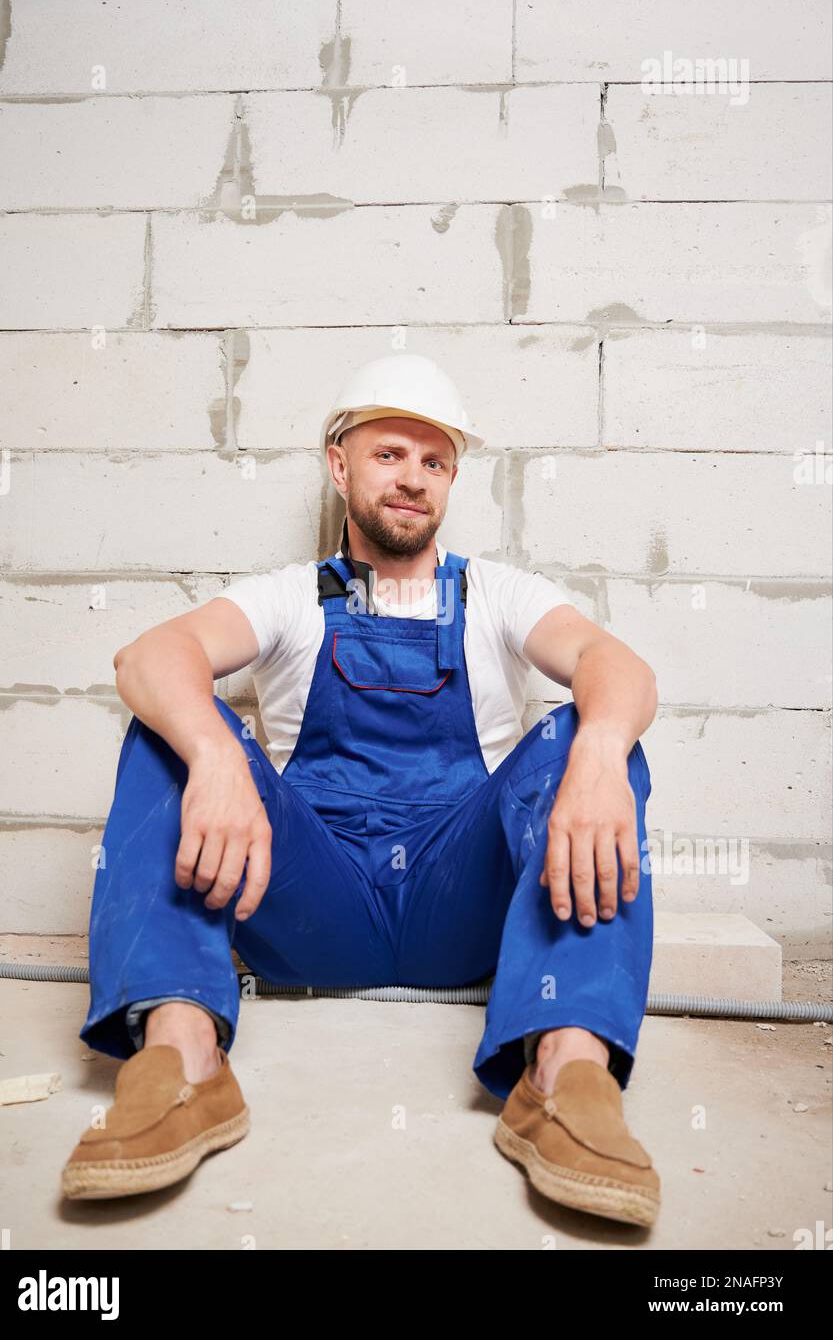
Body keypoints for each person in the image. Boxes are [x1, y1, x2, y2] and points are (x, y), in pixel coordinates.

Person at [61, 353, 660, 1227]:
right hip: (312, 905)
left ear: (451, 479)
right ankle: (181, 1062)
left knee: (588, 733)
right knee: (170, 731)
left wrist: (602, 747)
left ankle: (564, 1073)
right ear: (338, 465)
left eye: (434, 461)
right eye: (389, 455)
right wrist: (219, 755)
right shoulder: (290, 598)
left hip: (459, 903)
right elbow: (147, 658)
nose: (412, 479)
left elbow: (614, 664)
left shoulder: (498, 594)